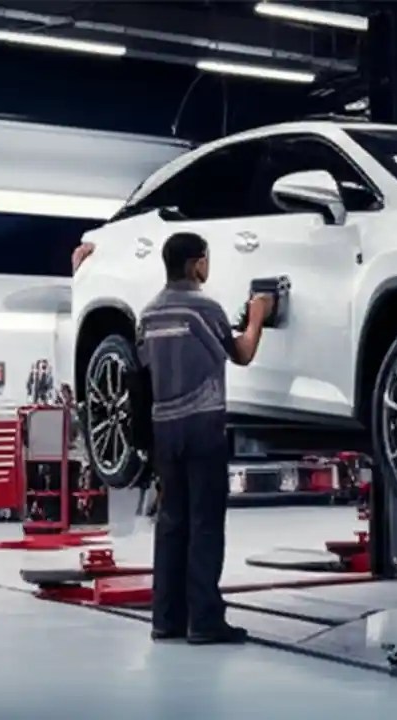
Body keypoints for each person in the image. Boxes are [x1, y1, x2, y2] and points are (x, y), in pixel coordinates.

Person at [137, 231, 273, 645]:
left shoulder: (148, 314)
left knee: (171, 522)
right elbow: (243, 353)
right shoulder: (206, 308)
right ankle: (205, 621)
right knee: (206, 523)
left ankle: (166, 620)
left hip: (164, 429)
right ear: (198, 264)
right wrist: (257, 316)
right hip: (203, 425)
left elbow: (142, 369)